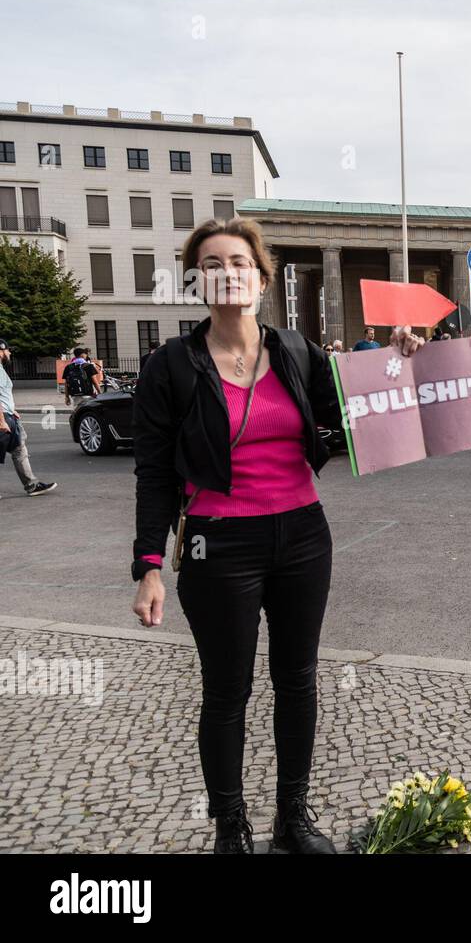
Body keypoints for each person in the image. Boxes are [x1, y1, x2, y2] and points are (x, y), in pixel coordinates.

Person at [129, 216, 425, 853]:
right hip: (216, 544)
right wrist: (149, 566)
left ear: (261, 279)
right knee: (226, 690)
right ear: (196, 281)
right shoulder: (170, 367)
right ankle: (230, 828)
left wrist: (397, 356)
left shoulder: (294, 350)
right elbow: (153, 473)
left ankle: (293, 817)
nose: (226, 273)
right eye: (211, 264)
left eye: (238, 262)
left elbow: (351, 403)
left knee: (297, 679)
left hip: (301, 536)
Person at [0, 339, 58, 499]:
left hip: (8, 415)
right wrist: (2, 420)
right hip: (2, 417)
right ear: (1, 351)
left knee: (19, 449)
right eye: (8, 350)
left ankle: (32, 485)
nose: (10, 353)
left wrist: (13, 410)